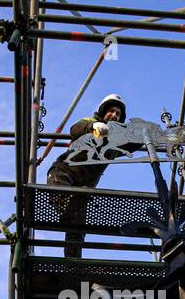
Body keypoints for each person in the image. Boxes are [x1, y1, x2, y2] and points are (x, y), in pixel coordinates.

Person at [46, 93, 129, 258]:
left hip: (83, 189)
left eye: (118, 114)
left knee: (77, 233)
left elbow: (136, 141)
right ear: (103, 111)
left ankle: (73, 266)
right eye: (111, 111)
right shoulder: (90, 123)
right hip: (65, 172)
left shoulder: (115, 142)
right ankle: (69, 215)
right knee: (60, 195)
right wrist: (94, 127)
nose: (114, 115)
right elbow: (75, 129)